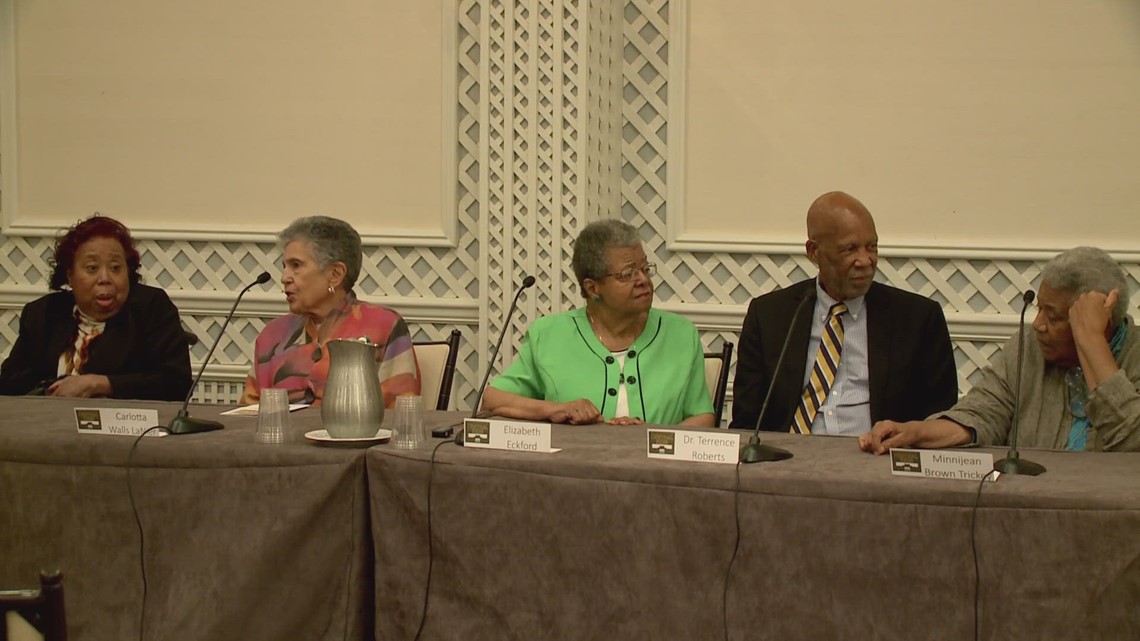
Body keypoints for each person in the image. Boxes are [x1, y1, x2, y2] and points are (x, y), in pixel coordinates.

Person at [860, 246, 1140, 454]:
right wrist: (912, 432)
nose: (1038, 325)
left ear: (1102, 322)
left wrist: (1091, 343)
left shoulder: (1134, 352)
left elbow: (1132, 442)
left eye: (1053, 316)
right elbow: (982, 413)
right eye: (1039, 309)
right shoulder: (1028, 346)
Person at [730, 191, 957, 434]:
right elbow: (746, 421)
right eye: (850, 250)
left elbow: (940, 421)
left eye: (872, 247)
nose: (865, 261)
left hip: (878, 460)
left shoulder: (918, 319)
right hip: (788, 459)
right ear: (814, 252)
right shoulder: (769, 316)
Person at [481, 219, 714, 426]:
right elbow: (493, 399)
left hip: (656, 473)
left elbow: (702, 417)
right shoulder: (549, 335)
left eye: (645, 269)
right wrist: (556, 410)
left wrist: (650, 442)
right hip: (568, 469)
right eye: (628, 274)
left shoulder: (681, 335)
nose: (643, 280)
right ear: (592, 288)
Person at [0, 215, 192, 400]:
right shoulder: (44, 313)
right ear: (70, 276)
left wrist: (100, 384)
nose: (105, 279)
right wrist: (53, 389)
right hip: (48, 424)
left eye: (115, 268)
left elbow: (176, 384)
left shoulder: (150, 308)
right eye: (92, 268)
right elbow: (9, 383)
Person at [241, 216, 420, 407]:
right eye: (284, 267)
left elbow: (399, 415)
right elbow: (247, 416)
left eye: (296, 266)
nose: (285, 278)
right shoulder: (272, 335)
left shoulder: (383, 326)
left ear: (335, 274)